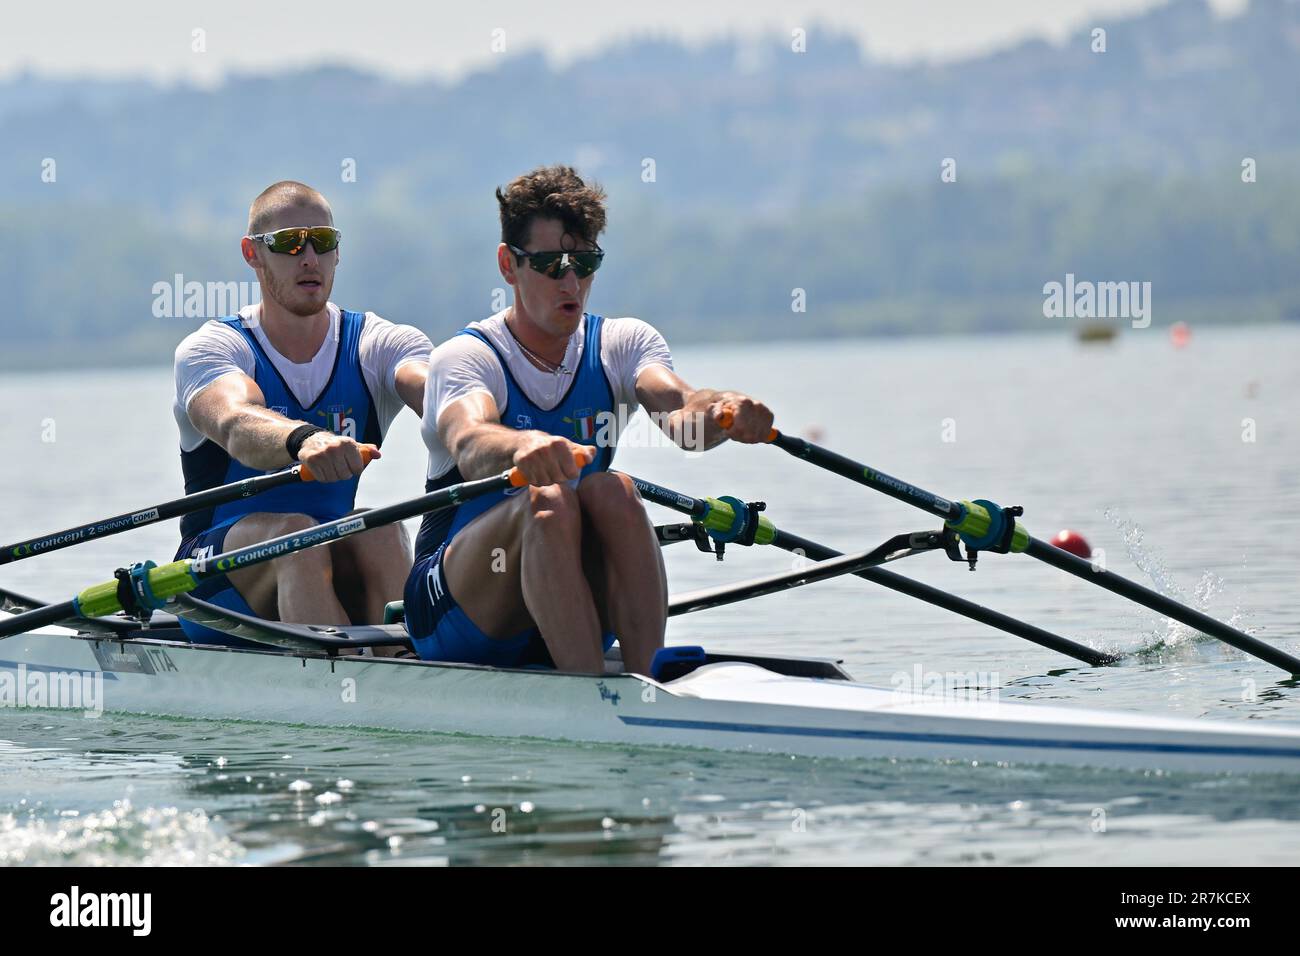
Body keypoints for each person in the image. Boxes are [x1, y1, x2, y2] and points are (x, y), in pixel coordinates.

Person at [404, 165, 772, 675]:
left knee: (613, 489)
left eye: (585, 261)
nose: (571, 281)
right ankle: (591, 696)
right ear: (508, 265)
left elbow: (682, 414)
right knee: (549, 498)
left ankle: (649, 677)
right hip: (458, 615)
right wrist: (520, 447)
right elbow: (468, 439)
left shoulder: (622, 342)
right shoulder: (466, 357)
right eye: (552, 264)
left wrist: (724, 410)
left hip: (563, 599)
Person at [172, 181, 431, 647]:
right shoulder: (214, 348)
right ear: (252, 254)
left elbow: (442, 395)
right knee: (296, 535)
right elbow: (234, 422)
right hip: (212, 584)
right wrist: (303, 440)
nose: (309, 258)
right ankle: (349, 685)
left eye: (323, 242)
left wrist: (490, 431)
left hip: (325, 557)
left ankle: (409, 673)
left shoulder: (380, 343)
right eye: (290, 243)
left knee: (384, 529)